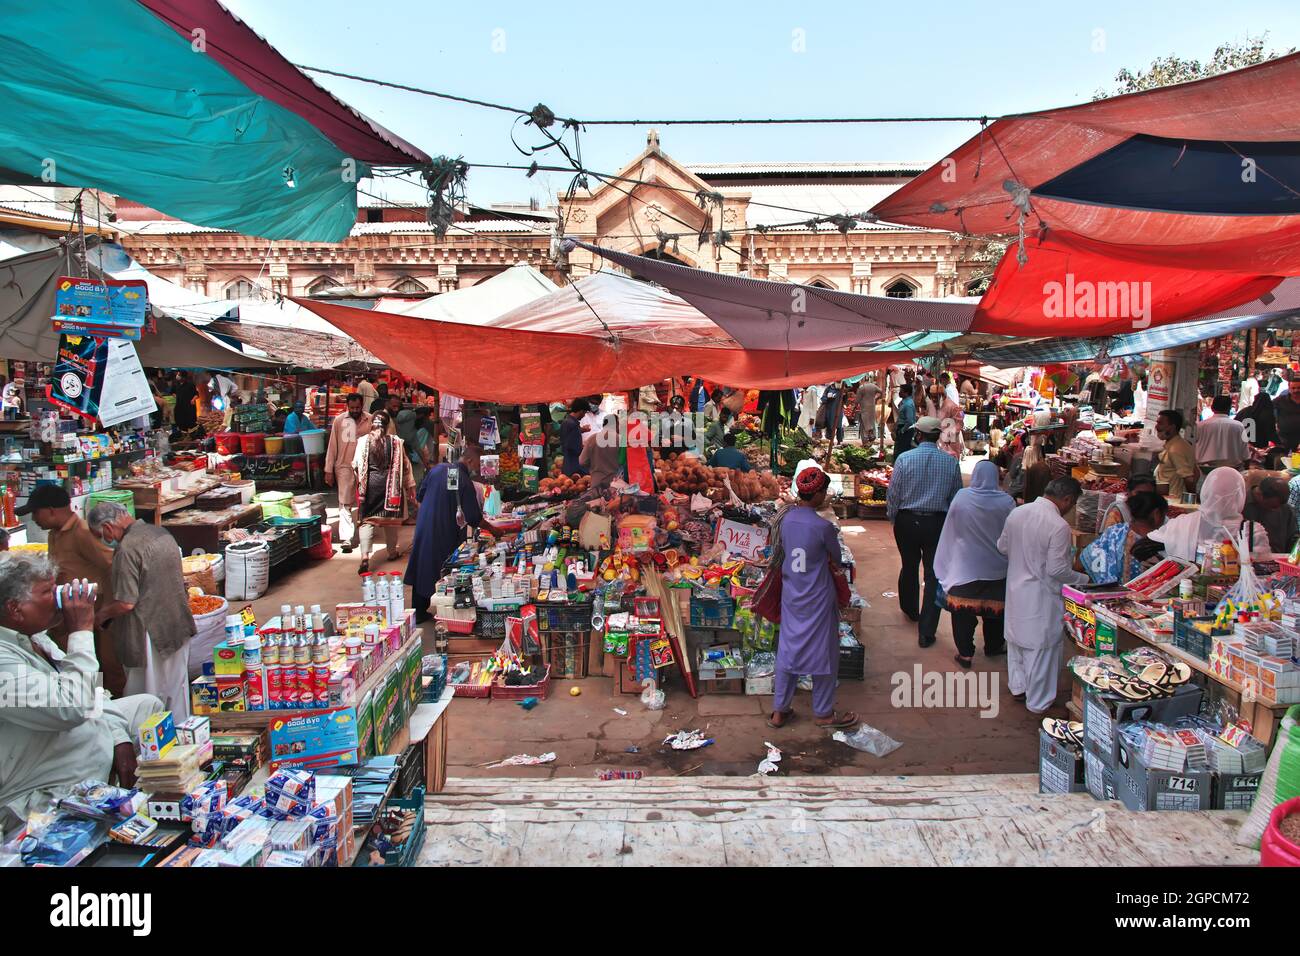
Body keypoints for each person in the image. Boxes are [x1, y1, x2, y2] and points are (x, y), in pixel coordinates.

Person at [0, 553, 164, 831]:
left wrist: (119, 738)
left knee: (148, 706)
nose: (59, 598)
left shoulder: (35, 637)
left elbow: (93, 693)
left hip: (68, 737)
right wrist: (81, 631)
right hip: (39, 782)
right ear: (16, 609)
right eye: (47, 592)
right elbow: (72, 707)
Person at [765, 467, 858, 731]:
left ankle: (779, 711)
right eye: (824, 491)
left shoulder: (786, 519)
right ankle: (823, 713)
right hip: (817, 598)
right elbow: (837, 559)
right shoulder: (823, 527)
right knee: (825, 654)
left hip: (792, 594)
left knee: (788, 650)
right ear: (816, 494)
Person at [88, 501, 196, 718]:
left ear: (108, 527)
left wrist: (100, 616)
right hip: (177, 623)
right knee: (177, 690)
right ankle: (184, 740)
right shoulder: (160, 532)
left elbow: (126, 603)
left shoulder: (127, 549)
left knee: (148, 699)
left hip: (150, 634)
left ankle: (152, 747)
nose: (104, 540)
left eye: (100, 534)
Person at [18, 484, 122, 696]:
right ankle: (90, 697)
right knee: (71, 659)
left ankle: (110, 703)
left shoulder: (83, 532)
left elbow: (113, 564)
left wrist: (109, 608)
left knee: (103, 662)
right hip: (66, 609)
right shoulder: (54, 533)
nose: (34, 519)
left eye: (35, 513)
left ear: (51, 510)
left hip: (93, 608)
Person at [998, 477, 1090, 714]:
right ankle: (1038, 702)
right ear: (1067, 500)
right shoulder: (1057, 525)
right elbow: (1057, 569)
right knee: (1041, 649)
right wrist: (1083, 581)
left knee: (1017, 642)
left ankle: (1018, 687)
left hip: (1017, 589)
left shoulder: (1018, 513)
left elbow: (1003, 547)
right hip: (1041, 595)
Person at [886, 416, 963, 647]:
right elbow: (956, 496)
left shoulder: (904, 459)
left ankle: (910, 610)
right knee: (933, 574)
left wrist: (894, 518)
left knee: (909, 565)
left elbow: (894, 494)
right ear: (937, 435)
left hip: (907, 521)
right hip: (936, 524)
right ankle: (926, 631)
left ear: (918, 436)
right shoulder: (950, 462)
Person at [933, 460, 1014, 669]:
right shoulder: (1006, 502)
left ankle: (965, 654)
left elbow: (952, 527)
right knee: (995, 611)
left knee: (962, 613)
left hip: (965, 566)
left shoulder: (962, 498)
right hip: (997, 566)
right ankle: (994, 645)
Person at [404, 461, 483, 624]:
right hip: (445, 529)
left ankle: (418, 610)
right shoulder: (464, 480)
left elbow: (420, 495)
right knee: (442, 567)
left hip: (426, 522)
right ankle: (446, 610)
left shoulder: (437, 469)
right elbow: (474, 517)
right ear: (470, 465)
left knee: (422, 561)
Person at [1149, 467, 1270, 562]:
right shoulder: (1252, 532)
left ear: (1206, 492)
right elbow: (1262, 568)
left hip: (1186, 589)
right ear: (1240, 496)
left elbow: (1145, 546)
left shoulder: (1181, 524)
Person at [353, 411, 418, 574]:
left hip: (370, 488)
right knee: (389, 520)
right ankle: (392, 552)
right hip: (391, 488)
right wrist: (410, 485)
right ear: (389, 424)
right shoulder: (396, 442)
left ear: (371, 424)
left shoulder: (363, 442)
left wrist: (360, 482)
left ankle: (365, 557)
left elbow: (355, 465)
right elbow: (406, 465)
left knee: (367, 521)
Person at [1080, 491, 1169, 584]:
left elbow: (1083, 560)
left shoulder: (1115, 532)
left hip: (1110, 596)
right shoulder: (1162, 542)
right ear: (1157, 514)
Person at [325, 392, 367, 553]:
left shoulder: (369, 420)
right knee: (345, 503)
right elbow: (332, 446)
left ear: (362, 406)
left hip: (364, 467)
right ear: (347, 406)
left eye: (357, 407)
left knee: (364, 502)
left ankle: (365, 534)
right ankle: (347, 538)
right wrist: (328, 470)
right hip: (344, 466)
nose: (355, 410)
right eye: (352, 408)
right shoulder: (339, 421)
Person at [1242, 476, 1298, 554]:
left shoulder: (1286, 509)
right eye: (1272, 507)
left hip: (1280, 560)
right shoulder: (1241, 505)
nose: (1276, 510)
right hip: (1247, 560)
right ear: (1259, 495)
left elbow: (1293, 538)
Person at [1196, 395, 1250, 469]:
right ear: (1229, 408)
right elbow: (1246, 455)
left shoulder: (1200, 426)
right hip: (1232, 470)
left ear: (1212, 408)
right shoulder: (1239, 426)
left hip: (1203, 469)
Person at [1154, 409, 1198, 499]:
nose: (1156, 426)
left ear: (1172, 427)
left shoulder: (1175, 449)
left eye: (1160, 423)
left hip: (1174, 500)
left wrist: (1193, 498)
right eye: (1157, 423)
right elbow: (1196, 472)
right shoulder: (1179, 444)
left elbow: (1189, 478)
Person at [580, 414, 624, 493]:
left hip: (596, 483)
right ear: (616, 424)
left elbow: (582, 461)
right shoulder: (621, 440)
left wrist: (594, 465)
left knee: (596, 504)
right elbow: (625, 463)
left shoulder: (592, 439)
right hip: (615, 484)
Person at [560, 399, 589, 476]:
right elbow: (574, 448)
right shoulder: (572, 424)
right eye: (585, 413)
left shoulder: (567, 421)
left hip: (568, 463)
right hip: (574, 465)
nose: (584, 415)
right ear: (581, 411)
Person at [855, 375, 882, 444]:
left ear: (862, 380)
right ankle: (872, 439)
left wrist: (854, 408)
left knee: (864, 425)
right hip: (872, 408)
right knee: (872, 424)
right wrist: (875, 398)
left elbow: (857, 401)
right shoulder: (873, 386)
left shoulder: (861, 387)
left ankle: (865, 441)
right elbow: (882, 392)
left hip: (864, 408)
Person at [893, 383, 917, 457]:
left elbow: (910, 421)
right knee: (899, 449)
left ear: (906, 393)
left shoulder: (908, 404)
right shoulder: (904, 402)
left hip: (906, 430)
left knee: (902, 450)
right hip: (903, 428)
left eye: (901, 391)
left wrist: (902, 430)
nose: (899, 393)